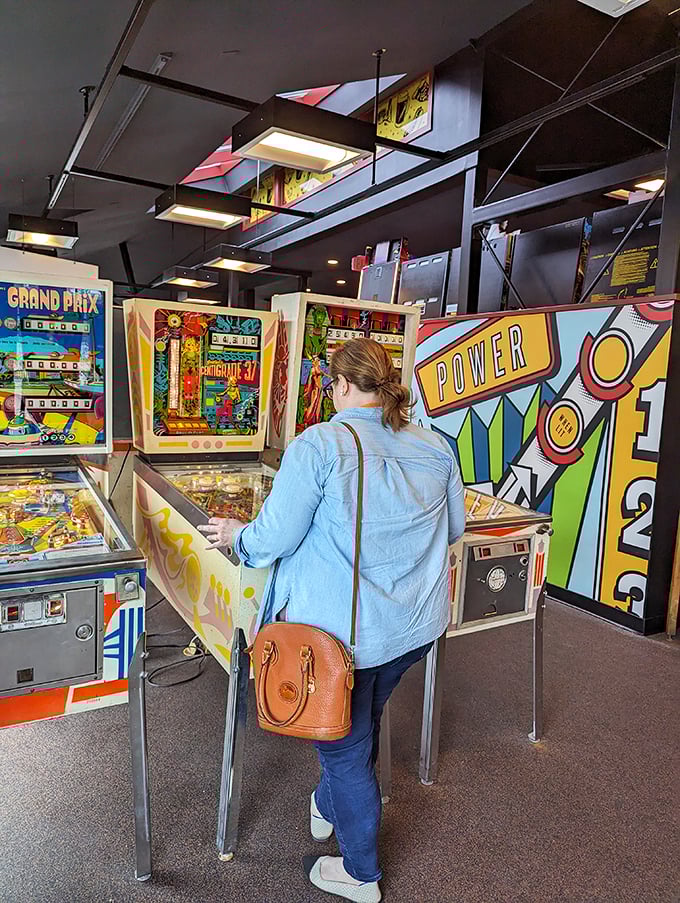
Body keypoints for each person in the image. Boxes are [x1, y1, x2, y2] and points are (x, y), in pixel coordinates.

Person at [199, 337, 466, 903]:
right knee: (361, 717)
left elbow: (273, 538)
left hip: (344, 641)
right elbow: (454, 530)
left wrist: (236, 536)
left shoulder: (320, 444)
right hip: (414, 629)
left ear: (340, 385)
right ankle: (327, 804)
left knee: (344, 750)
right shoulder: (436, 445)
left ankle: (361, 874)